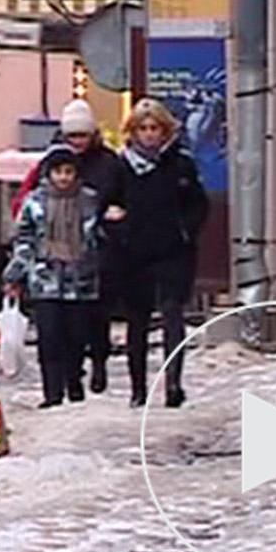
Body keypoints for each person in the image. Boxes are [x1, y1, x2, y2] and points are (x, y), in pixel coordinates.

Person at [9, 99, 125, 394]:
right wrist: (15, 274)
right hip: (46, 276)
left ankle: (81, 375)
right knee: (49, 336)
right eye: (72, 135)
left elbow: (107, 218)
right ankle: (53, 391)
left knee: (82, 331)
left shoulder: (100, 180)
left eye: (82, 135)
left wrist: (112, 227)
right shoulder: (39, 194)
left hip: (84, 274)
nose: (77, 141)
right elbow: (25, 234)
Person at [113, 99, 210, 409]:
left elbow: (198, 204)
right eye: (143, 128)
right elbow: (108, 204)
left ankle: (173, 383)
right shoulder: (123, 166)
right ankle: (138, 389)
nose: (149, 134)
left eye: (154, 127)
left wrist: (186, 232)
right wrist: (120, 229)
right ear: (133, 131)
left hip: (173, 251)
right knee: (137, 320)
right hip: (134, 253)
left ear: (165, 130)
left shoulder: (180, 164)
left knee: (172, 315)